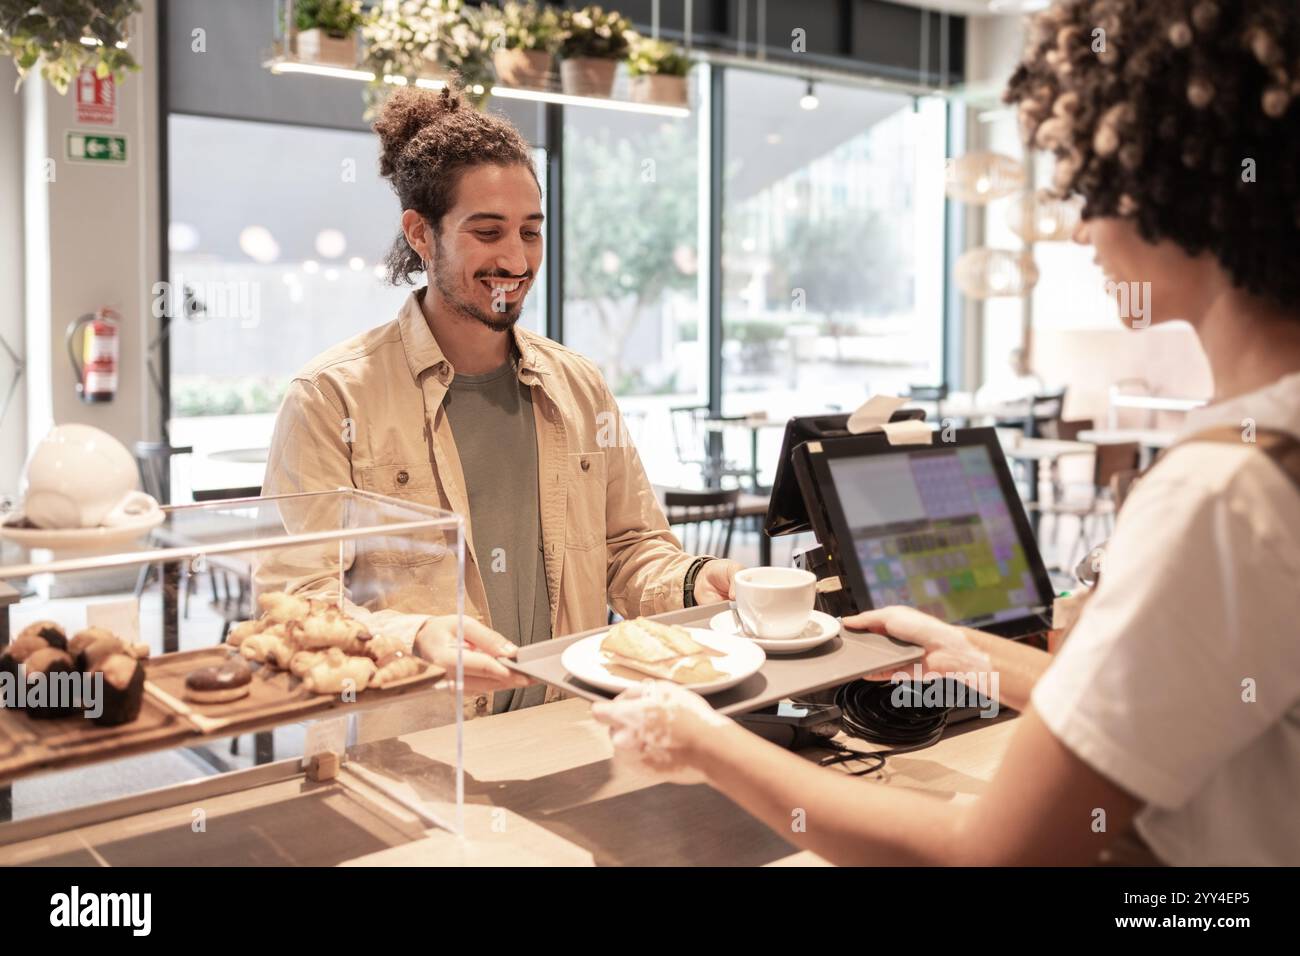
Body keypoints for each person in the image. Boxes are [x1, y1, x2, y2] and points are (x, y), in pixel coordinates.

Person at [593, 0, 1300, 865]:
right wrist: (969, 656)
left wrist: (698, 740)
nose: (1080, 229)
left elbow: (987, 854)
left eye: (1088, 187)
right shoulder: (1271, 453)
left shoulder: (1222, 492)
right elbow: (1150, 713)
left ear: (1174, 185)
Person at [262, 87, 741, 715]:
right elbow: (298, 600)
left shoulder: (580, 386)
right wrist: (416, 635)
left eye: (530, 233)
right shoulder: (331, 399)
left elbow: (629, 550)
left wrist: (699, 580)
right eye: (487, 233)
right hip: (419, 754)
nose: (515, 260)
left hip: (574, 726)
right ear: (421, 234)